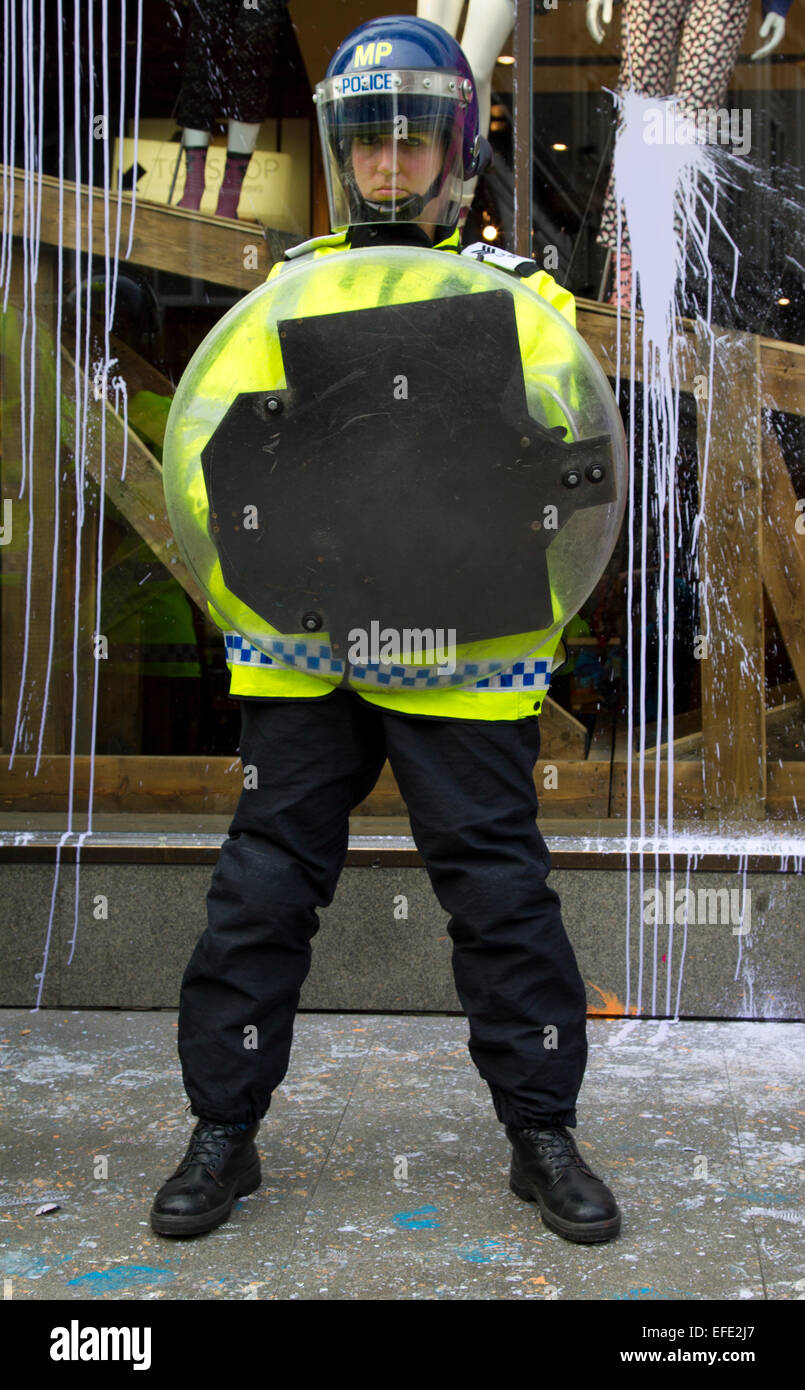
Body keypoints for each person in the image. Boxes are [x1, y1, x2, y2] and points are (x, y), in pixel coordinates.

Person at [151, 15, 622, 1247]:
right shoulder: (289, 292)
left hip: (465, 660)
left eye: (415, 140)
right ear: (344, 153)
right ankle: (224, 1131)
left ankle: (541, 1132)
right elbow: (207, 462)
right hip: (303, 650)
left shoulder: (524, 301)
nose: (391, 164)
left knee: (500, 897)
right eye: (371, 143)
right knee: (262, 892)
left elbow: (568, 468)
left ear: (454, 153)